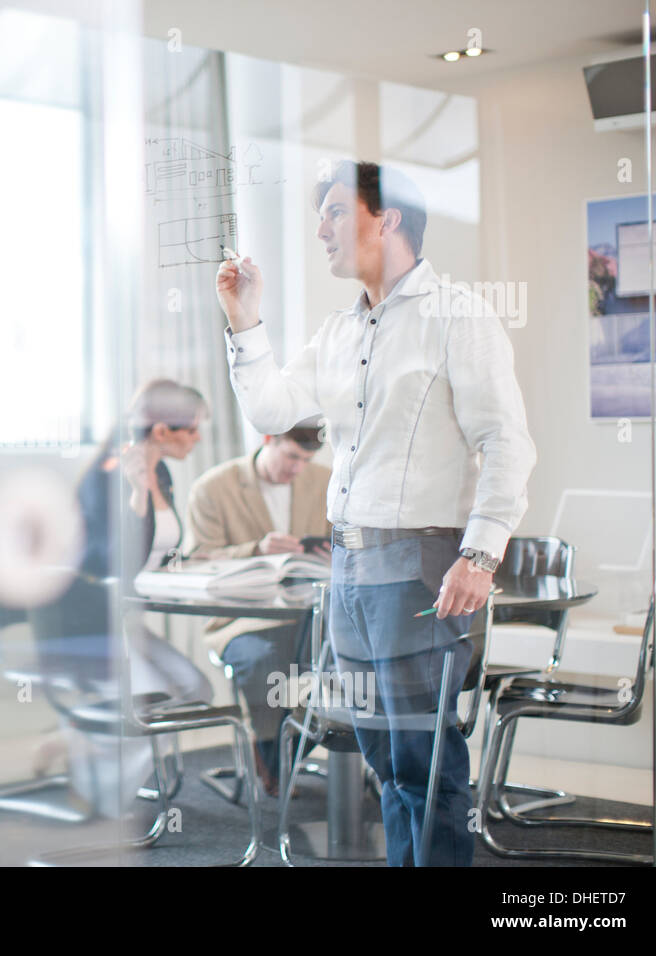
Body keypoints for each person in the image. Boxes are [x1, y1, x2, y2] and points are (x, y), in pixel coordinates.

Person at [214, 161, 536, 866]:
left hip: (421, 565)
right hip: (352, 570)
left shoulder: (460, 315)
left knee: (424, 756)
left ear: (384, 218)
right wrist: (244, 318)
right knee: (385, 760)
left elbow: (507, 443)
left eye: (333, 211)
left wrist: (480, 555)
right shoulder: (337, 333)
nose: (320, 229)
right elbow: (273, 408)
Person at [33, 379, 214, 816]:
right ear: (162, 432)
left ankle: (83, 749)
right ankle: (101, 801)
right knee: (151, 703)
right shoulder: (107, 476)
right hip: (92, 623)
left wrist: (191, 561)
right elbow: (114, 563)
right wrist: (136, 494)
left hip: (128, 620)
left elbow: (159, 549)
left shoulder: (163, 473)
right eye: (191, 429)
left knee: (195, 688)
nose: (198, 439)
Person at [183, 424, 332, 795]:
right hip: (241, 621)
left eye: (307, 459)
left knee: (343, 659)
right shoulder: (214, 487)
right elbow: (197, 559)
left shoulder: (326, 481)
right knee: (263, 660)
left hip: (308, 616)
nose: (298, 468)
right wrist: (255, 550)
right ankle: (272, 750)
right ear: (268, 440)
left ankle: (289, 751)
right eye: (292, 457)